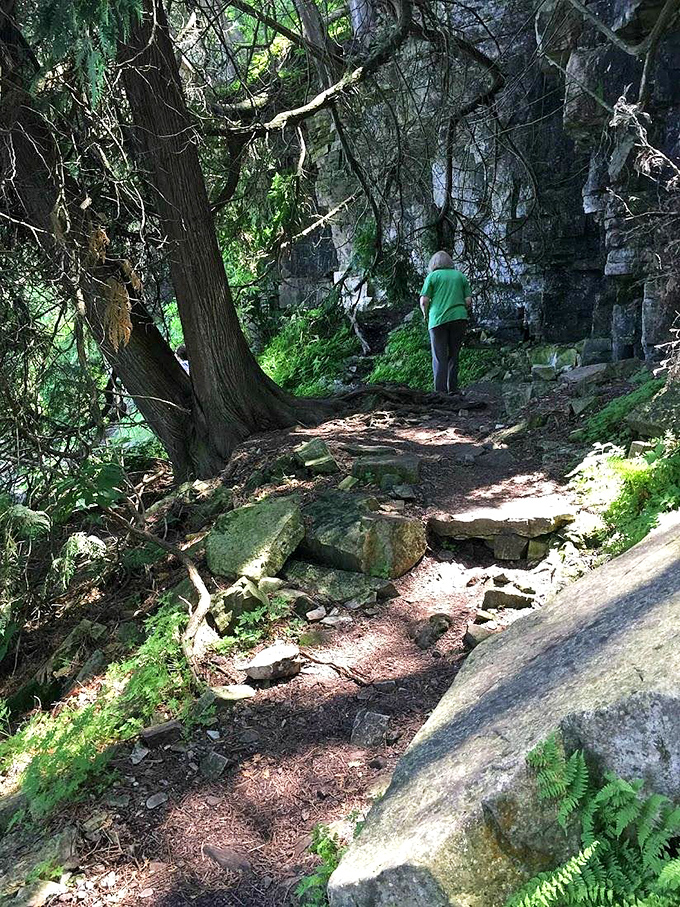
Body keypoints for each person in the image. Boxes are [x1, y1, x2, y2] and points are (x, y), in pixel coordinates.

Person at [419, 251, 472, 394]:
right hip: (459, 319)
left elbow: (424, 301)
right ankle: (453, 390)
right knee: (454, 355)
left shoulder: (432, 277)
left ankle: (440, 392)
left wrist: (425, 314)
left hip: (438, 320)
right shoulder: (460, 276)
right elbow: (468, 301)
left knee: (439, 357)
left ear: (433, 264)